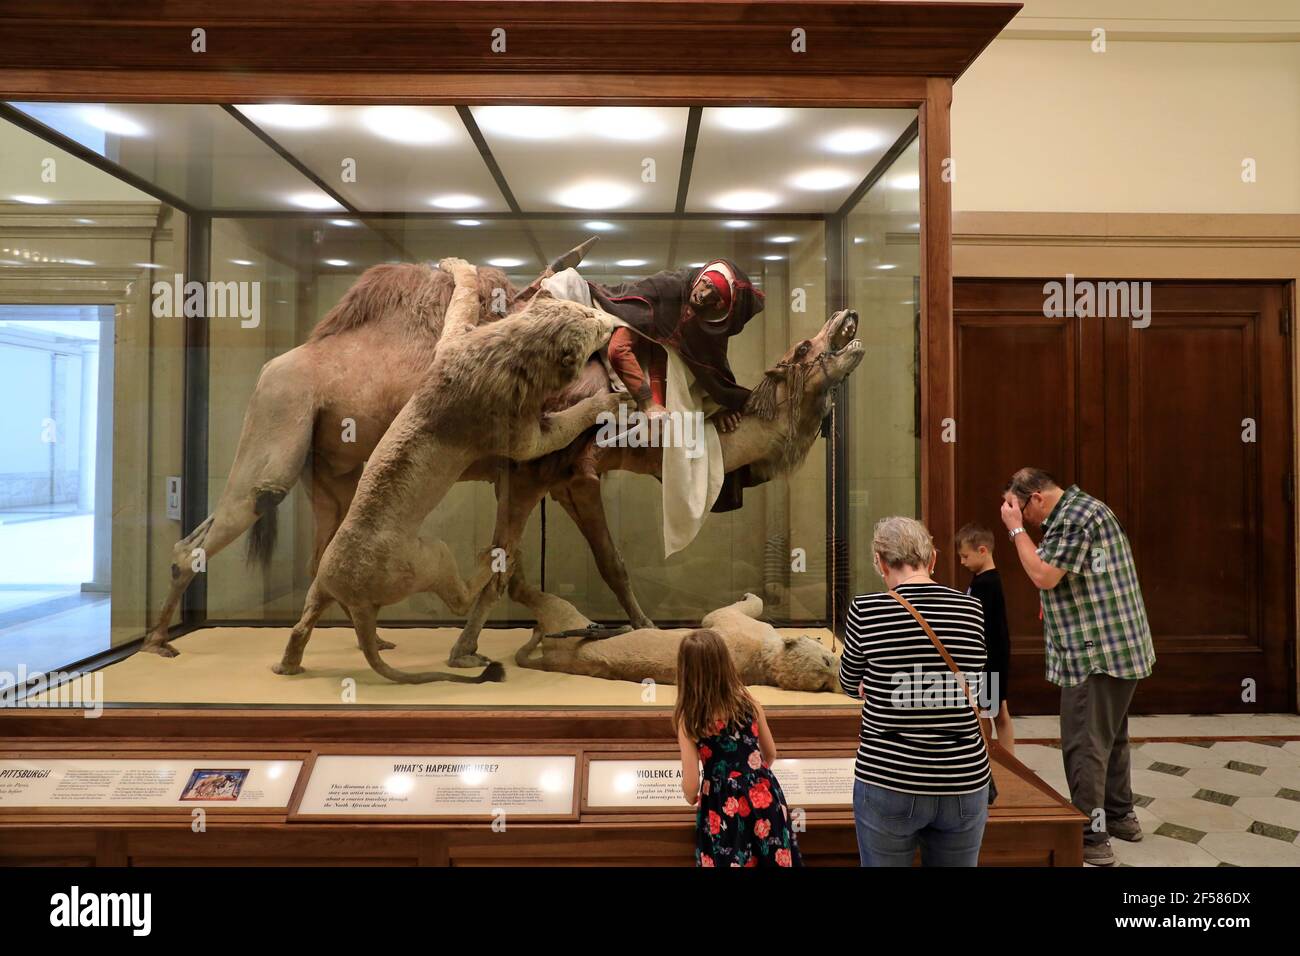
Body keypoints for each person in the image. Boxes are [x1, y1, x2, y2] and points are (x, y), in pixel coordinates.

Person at [999, 467, 1155, 867]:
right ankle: (1121, 816)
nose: (1021, 516)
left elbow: (1043, 575)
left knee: (1084, 744)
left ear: (1035, 497)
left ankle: (1090, 836)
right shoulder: (1087, 509)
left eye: (1019, 507)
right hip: (1120, 646)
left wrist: (1016, 531)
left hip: (1095, 652)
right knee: (1110, 738)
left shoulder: (1071, 518)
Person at [839, 516, 991, 867]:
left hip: (890, 776)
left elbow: (848, 683)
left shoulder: (867, 610)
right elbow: (979, 687)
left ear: (880, 561)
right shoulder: (971, 609)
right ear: (932, 559)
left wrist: (878, 684)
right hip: (963, 777)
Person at [674, 628, 801, 867]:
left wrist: (693, 793)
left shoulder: (690, 718)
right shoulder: (748, 701)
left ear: (685, 671)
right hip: (764, 794)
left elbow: (691, 787)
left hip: (723, 806)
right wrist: (752, 776)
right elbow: (770, 752)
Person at [956, 523, 1016, 756]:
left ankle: (1003, 758)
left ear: (982, 551)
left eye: (965, 556)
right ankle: (995, 756)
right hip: (987, 657)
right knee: (989, 709)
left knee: (993, 709)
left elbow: (985, 626)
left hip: (990, 658)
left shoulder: (988, 583)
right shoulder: (980, 579)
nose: (962, 562)